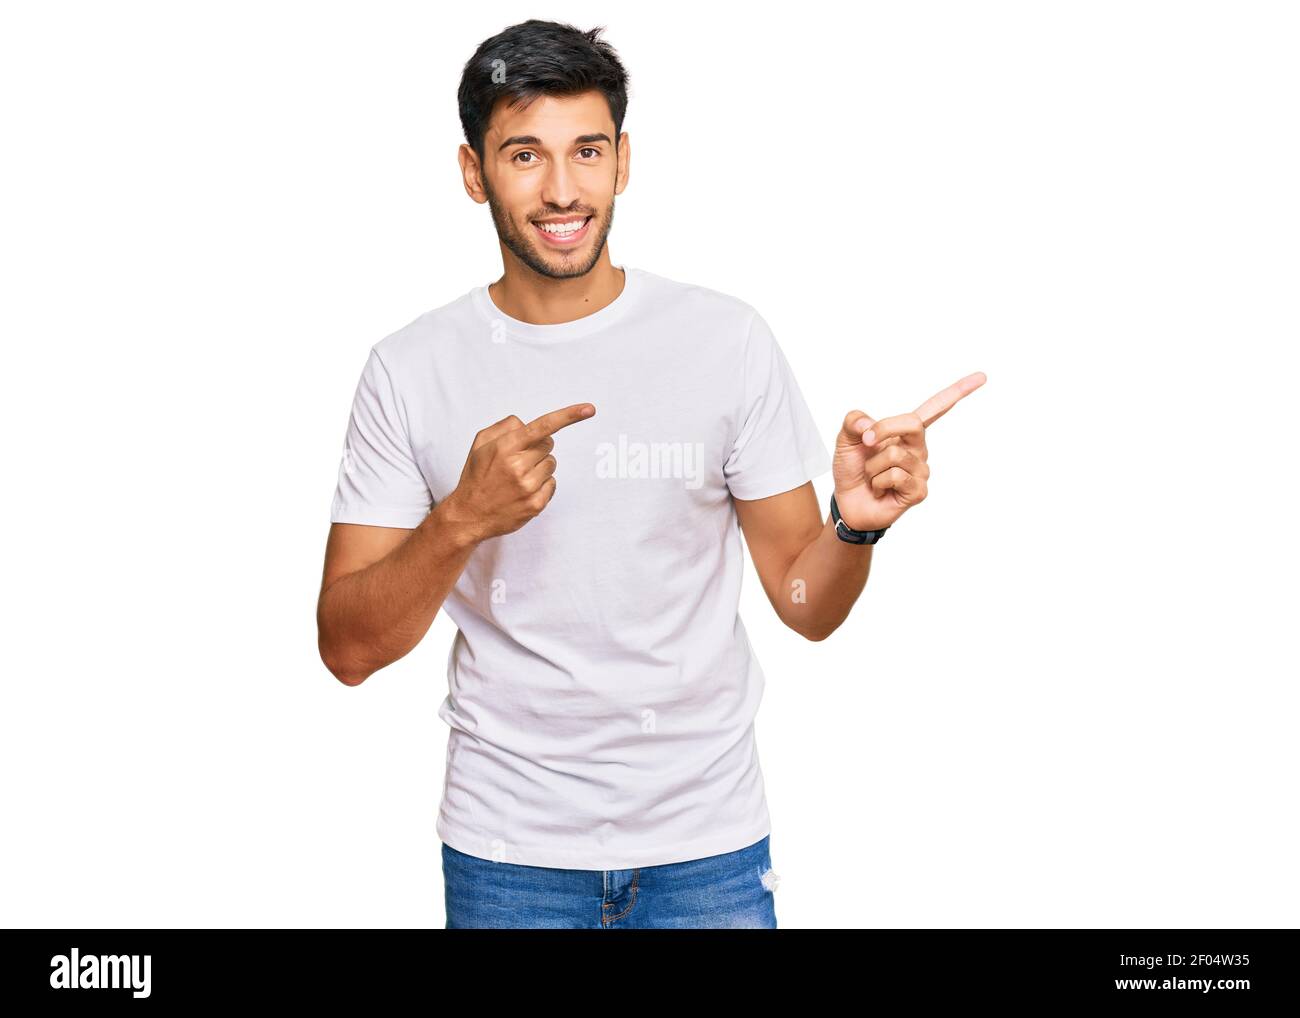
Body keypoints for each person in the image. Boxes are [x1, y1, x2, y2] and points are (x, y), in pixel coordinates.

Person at [316, 18, 985, 929]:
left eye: (586, 151)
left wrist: (854, 524)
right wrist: (458, 522)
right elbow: (348, 649)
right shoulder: (409, 368)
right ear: (474, 173)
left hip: (706, 851)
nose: (563, 189)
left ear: (623, 161)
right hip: (509, 856)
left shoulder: (724, 340)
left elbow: (805, 604)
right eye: (524, 155)